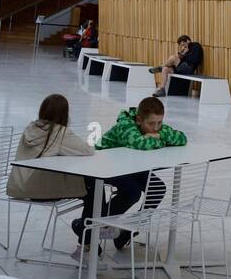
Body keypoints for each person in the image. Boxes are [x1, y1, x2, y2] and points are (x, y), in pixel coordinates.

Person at [74, 96, 187, 252]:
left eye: (160, 123)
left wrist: (160, 136)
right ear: (139, 119)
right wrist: (161, 140)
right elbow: (140, 144)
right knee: (132, 191)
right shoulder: (126, 126)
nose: (156, 128)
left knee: (157, 188)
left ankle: (128, 231)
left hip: (128, 166)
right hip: (103, 164)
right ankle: (87, 227)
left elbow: (182, 138)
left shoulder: (155, 128)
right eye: (152, 123)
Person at [7, 94, 95, 202]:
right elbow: (87, 150)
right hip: (43, 190)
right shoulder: (60, 132)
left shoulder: (30, 128)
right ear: (64, 114)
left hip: (19, 186)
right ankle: (89, 219)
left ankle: (86, 219)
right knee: (93, 183)